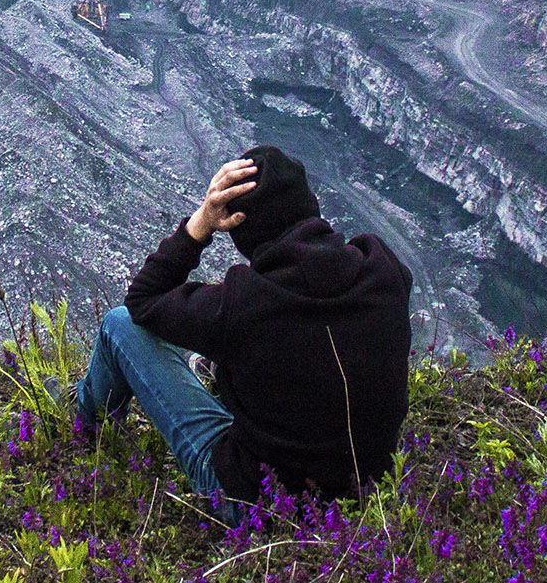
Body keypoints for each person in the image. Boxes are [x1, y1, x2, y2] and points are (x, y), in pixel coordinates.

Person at [72, 144, 413, 522]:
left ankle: (84, 425)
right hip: (368, 491)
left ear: (240, 229)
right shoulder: (383, 269)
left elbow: (142, 300)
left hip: (260, 504)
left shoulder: (242, 305)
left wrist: (200, 225)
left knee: (119, 325)